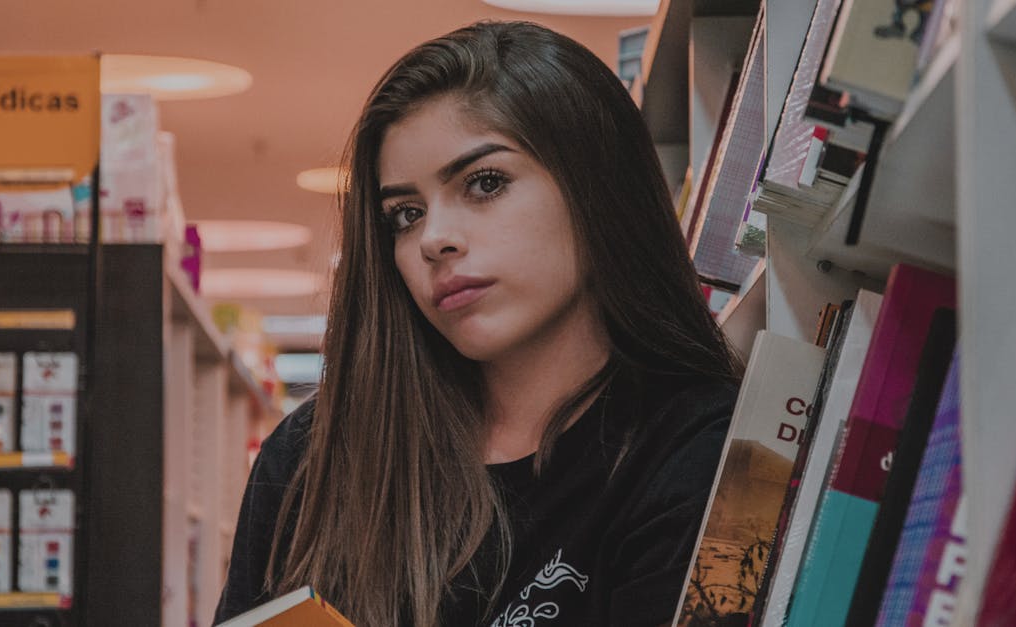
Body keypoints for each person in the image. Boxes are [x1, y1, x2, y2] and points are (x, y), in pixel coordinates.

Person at [215, 20, 742, 627]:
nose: (434, 239)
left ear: (595, 186)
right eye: (405, 214)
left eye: (485, 183)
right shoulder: (317, 454)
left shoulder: (699, 448)